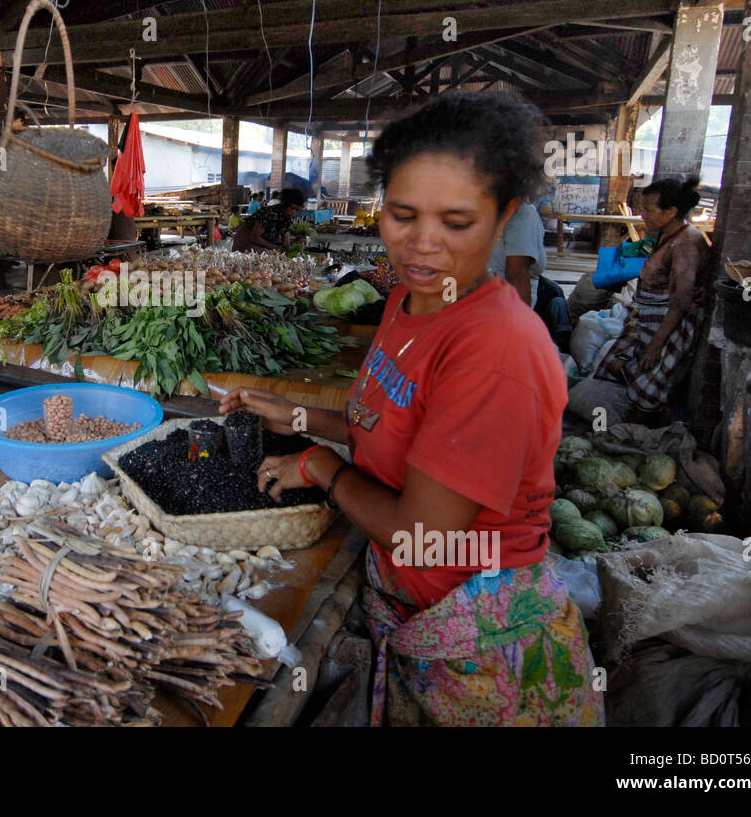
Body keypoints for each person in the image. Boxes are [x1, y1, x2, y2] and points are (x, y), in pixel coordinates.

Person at [220, 90, 601, 727]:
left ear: (504, 214)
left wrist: (319, 466)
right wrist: (301, 419)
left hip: (480, 637)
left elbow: (422, 538)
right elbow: (393, 428)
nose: (423, 246)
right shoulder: (407, 301)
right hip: (414, 611)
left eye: (456, 223)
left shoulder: (496, 349)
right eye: (402, 215)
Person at [590, 177, 710, 421]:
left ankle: (637, 428)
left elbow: (680, 300)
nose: (642, 214)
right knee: (620, 366)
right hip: (648, 316)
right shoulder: (669, 235)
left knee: (649, 382)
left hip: (667, 325)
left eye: (647, 209)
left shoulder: (685, 244)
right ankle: (616, 420)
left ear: (671, 211)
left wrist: (656, 346)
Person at [489, 197, 546, 307]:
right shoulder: (523, 214)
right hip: (500, 308)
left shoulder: (482, 209)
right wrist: (522, 321)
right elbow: (517, 276)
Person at [232, 188, 304, 253]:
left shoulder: (287, 218)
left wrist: (291, 249)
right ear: (285, 204)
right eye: (292, 208)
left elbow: (286, 242)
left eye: (297, 210)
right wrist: (275, 247)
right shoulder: (269, 214)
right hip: (246, 240)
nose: (294, 212)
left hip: (259, 243)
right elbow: (254, 237)